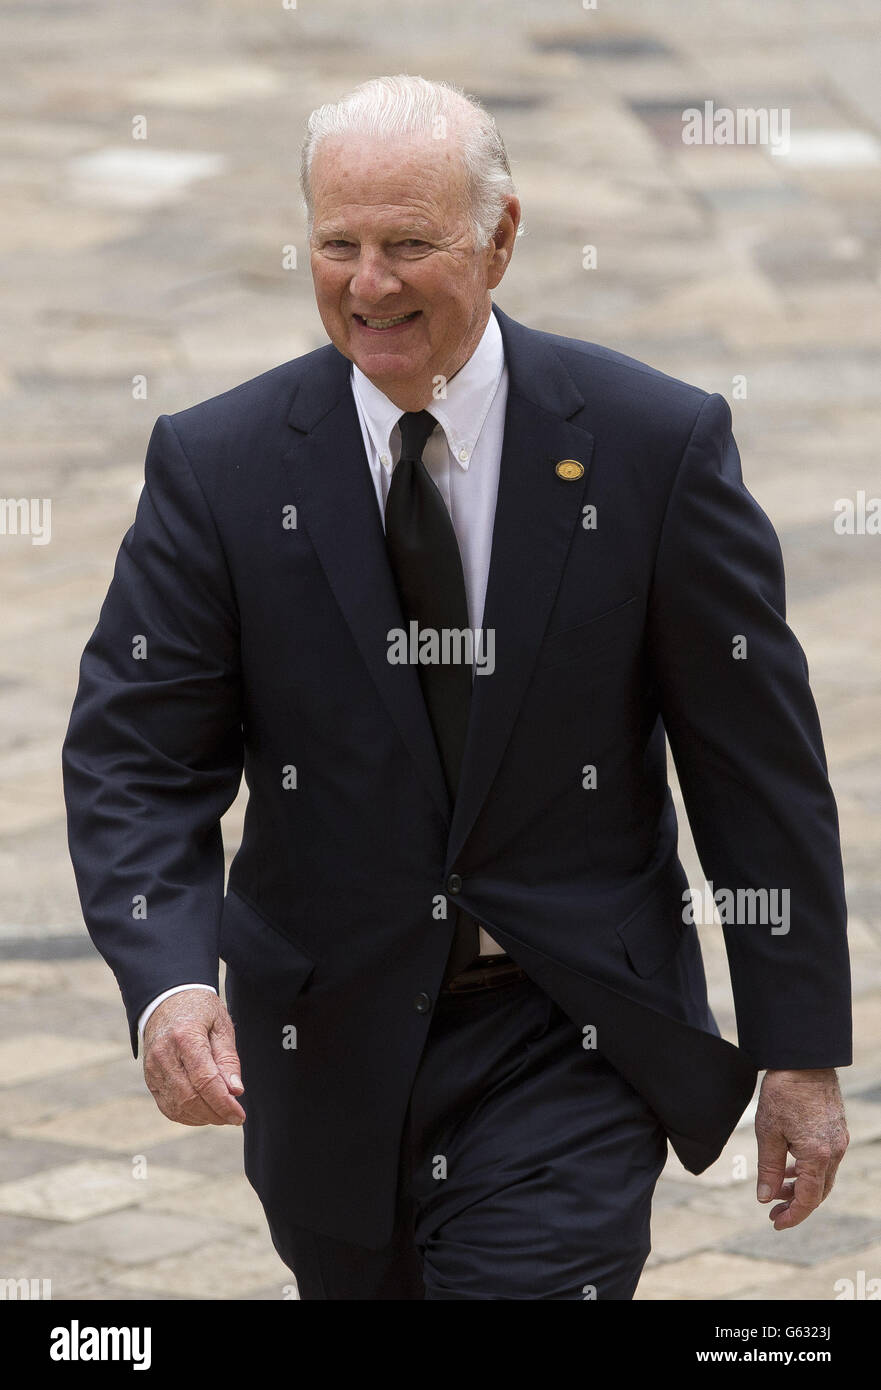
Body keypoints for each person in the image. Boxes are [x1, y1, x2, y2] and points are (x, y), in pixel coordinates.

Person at [62, 74, 851, 1301]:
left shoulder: (653, 446)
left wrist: (797, 1051)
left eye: (408, 245)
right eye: (338, 245)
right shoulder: (217, 468)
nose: (368, 285)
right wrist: (169, 976)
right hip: (325, 1045)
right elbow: (135, 755)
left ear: (501, 238)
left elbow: (754, 764)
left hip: (567, 1032)